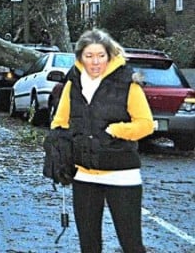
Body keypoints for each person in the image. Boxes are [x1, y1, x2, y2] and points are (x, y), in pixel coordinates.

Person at [51, 29, 154, 253]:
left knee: (131, 245)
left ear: (109, 55)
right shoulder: (73, 84)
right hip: (84, 175)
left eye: (100, 55)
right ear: (80, 57)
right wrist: (60, 153)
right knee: (88, 246)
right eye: (89, 56)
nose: (95, 62)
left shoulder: (128, 83)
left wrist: (116, 130)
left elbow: (145, 124)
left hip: (122, 175)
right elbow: (60, 123)